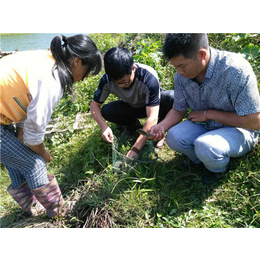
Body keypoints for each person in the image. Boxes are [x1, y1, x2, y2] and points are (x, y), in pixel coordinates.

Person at [0, 34, 102, 217]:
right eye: (88, 71)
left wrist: (21, 136)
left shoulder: (46, 58)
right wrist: (44, 154)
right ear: (77, 61)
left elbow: (26, 102)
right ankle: (58, 211)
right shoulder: (51, 80)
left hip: (3, 116)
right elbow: (34, 136)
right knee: (35, 164)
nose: (85, 78)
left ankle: (31, 207)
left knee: (17, 162)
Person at [151, 33, 260, 184]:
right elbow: (178, 109)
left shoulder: (235, 70)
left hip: (239, 129)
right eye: (176, 67)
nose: (179, 73)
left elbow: (255, 122)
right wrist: (161, 126)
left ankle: (216, 170)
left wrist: (210, 114)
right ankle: (202, 160)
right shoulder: (181, 76)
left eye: (182, 66)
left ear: (202, 54)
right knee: (173, 137)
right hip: (204, 125)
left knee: (206, 146)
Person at [90, 47, 174, 159]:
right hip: (131, 106)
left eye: (125, 82)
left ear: (133, 68)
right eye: (117, 83)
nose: (121, 86)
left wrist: (134, 150)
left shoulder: (148, 77)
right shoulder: (106, 80)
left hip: (153, 106)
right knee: (107, 110)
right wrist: (103, 127)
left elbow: (152, 118)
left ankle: (160, 130)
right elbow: (94, 105)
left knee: (171, 97)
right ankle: (133, 125)